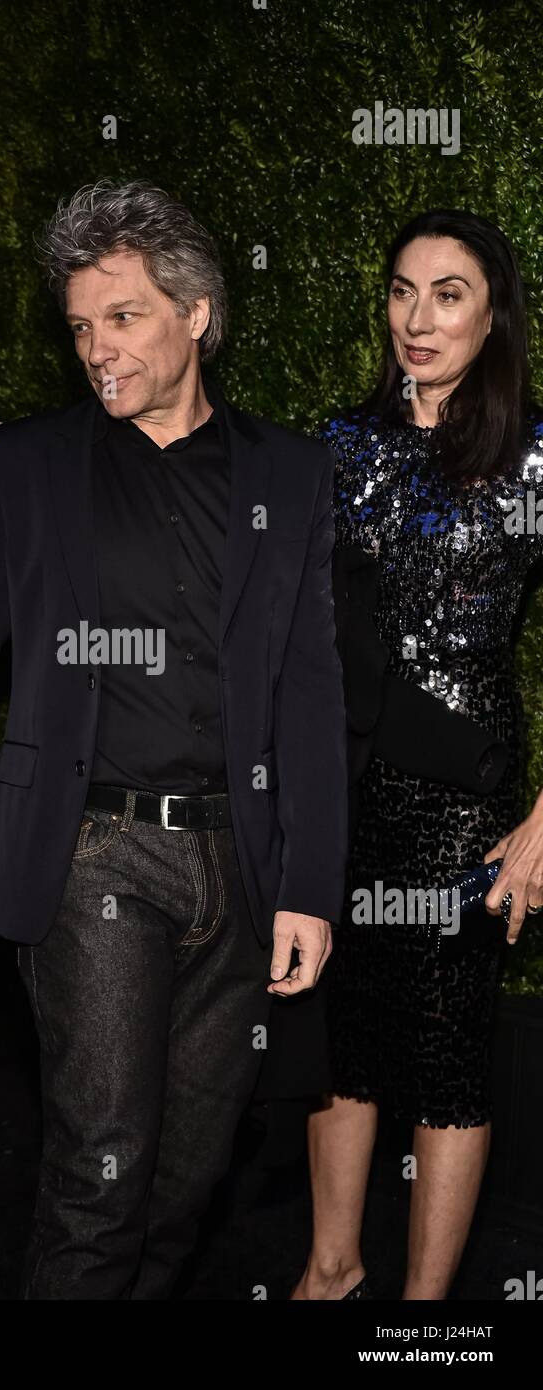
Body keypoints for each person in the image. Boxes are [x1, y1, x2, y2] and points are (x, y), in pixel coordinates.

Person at [0, 179, 347, 1299]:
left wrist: (312, 883)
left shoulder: (291, 474)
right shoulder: (32, 467)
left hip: (245, 861)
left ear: (198, 316)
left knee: (184, 1184)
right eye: (81, 326)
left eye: (121, 317)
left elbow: (311, 691)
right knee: (100, 1177)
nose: (96, 348)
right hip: (95, 855)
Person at [294, 210, 543, 1302]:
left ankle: (424, 1317)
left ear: (493, 318)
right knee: (337, 1037)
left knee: (443, 1058)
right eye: (401, 290)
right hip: (342, 785)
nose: (418, 316)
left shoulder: (534, 453)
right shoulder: (342, 445)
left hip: (462, 804)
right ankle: (331, 1266)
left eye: (448, 293)